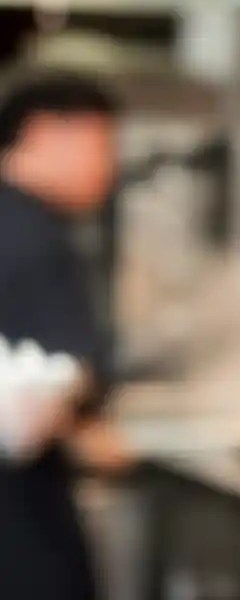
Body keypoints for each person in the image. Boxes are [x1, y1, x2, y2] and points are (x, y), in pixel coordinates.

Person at [0, 72, 123, 599]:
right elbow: (54, 379)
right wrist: (89, 431)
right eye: (102, 144)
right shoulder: (35, 237)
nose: (109, 166)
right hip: (20, 518)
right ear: (46, 132)